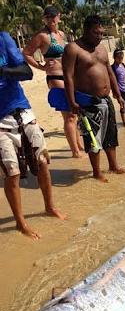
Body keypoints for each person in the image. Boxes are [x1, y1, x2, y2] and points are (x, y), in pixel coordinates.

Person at [0, 31, 66, 240]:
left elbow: (25, 72)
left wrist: (2, 71)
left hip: (22, 110)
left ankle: (49, 207)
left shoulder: (3, 39)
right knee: (12, 173)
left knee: (43, 161)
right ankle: (20, 223)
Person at [62, 15, 125, 182]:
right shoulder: (73, 49)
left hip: (106, 100)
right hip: (88, 101)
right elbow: (68, 76)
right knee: (93, 138)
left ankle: (113, 166)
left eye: (101, 33)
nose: (99, 37)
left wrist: (118, 94)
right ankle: (96, 172)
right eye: (95, 33)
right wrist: (72, 102)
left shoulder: (102, 49)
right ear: (85, 30)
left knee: (110, 135)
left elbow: (109, 71)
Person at [23, 6, 83, 158]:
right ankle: (75, 152)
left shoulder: (62, 34)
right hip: (55, 77)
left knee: (74, 114)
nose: (50, 19)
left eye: (52, 16)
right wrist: (41, 67)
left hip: (69, 76)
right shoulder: (42, 36)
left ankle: (79, 145)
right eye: (47, 17)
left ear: (59, 17)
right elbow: (26, 53)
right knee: (69, 115)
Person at [111, 49, 125, 126]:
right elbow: (112, 81)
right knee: (122, 106)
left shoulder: (123, 65)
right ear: (115, 58)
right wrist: (114, 92)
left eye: (122, 58)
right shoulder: (112, 68)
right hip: (119, 91)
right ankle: (124, 123)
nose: (121, 60)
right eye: (119, 58)